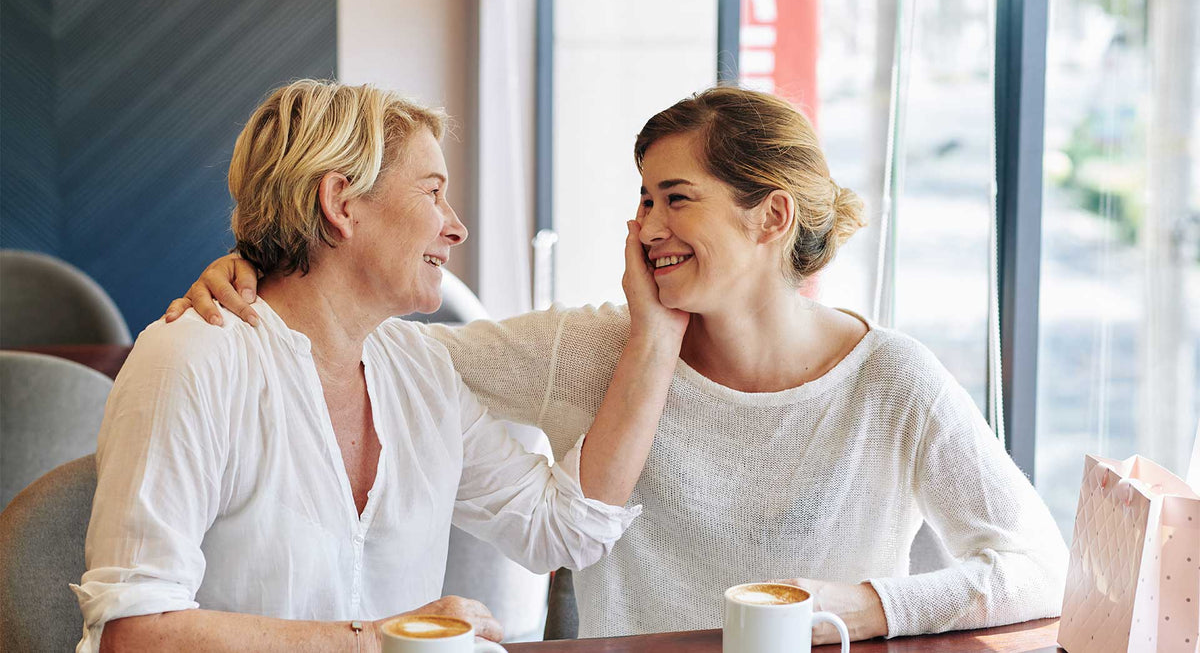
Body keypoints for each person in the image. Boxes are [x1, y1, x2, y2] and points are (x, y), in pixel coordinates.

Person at [168, 86, 1069, 643]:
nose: (647, 228)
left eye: (678, 198)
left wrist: (861, 607)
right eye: (643, 199)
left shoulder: (890, 379)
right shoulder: (593, 347)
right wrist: (263, 273)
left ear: (772, 217)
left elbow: (1037, 566)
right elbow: (355, 341)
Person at [74, 80, 687, 653]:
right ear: (341, 202)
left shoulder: (421, 370)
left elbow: (562, 531)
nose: (457, 227)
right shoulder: (192, 356)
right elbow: (132, 631)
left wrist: (654, 339)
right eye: (432, 191)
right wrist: (378, 640)